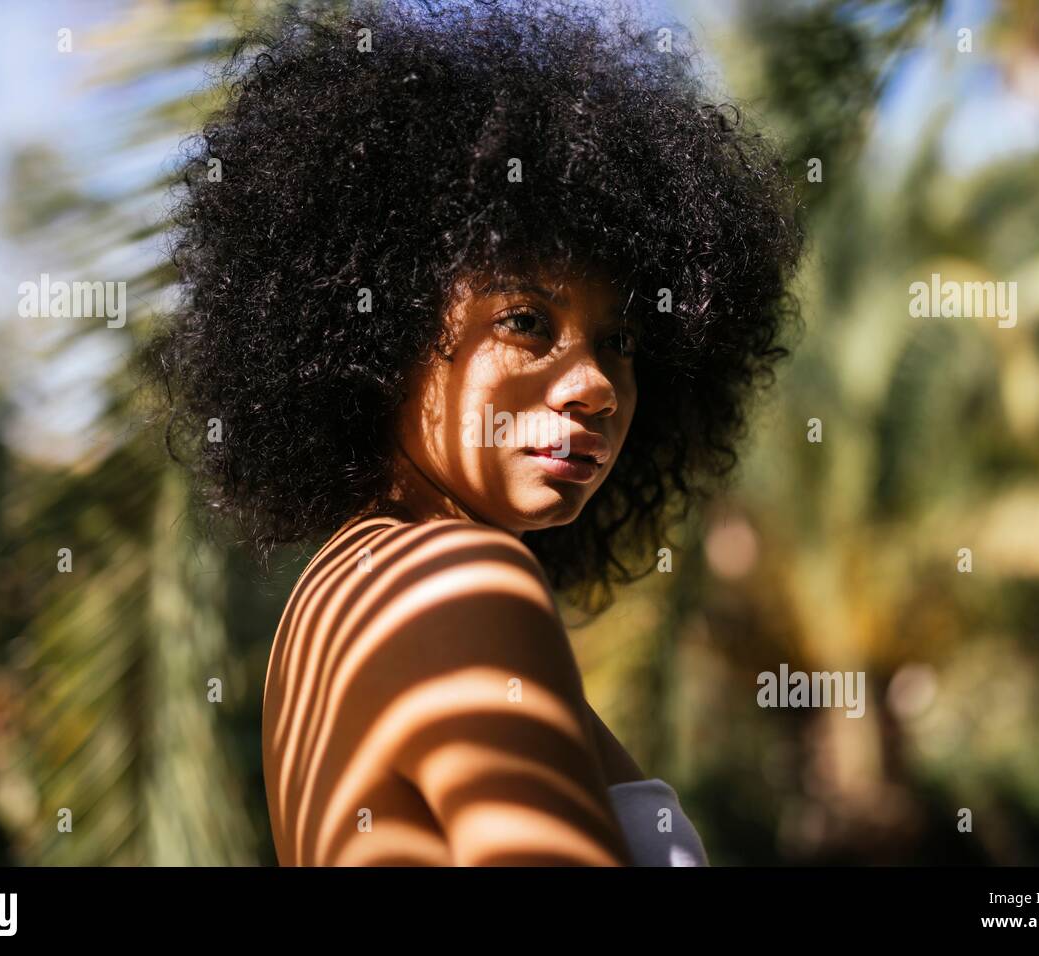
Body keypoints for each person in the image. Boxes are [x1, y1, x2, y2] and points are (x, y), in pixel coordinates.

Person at [147, 0, 803, 865]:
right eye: (527, 320)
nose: (599, 387)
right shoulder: (460, 581)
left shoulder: (339, 598)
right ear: (378, 324)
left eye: (623, 343)